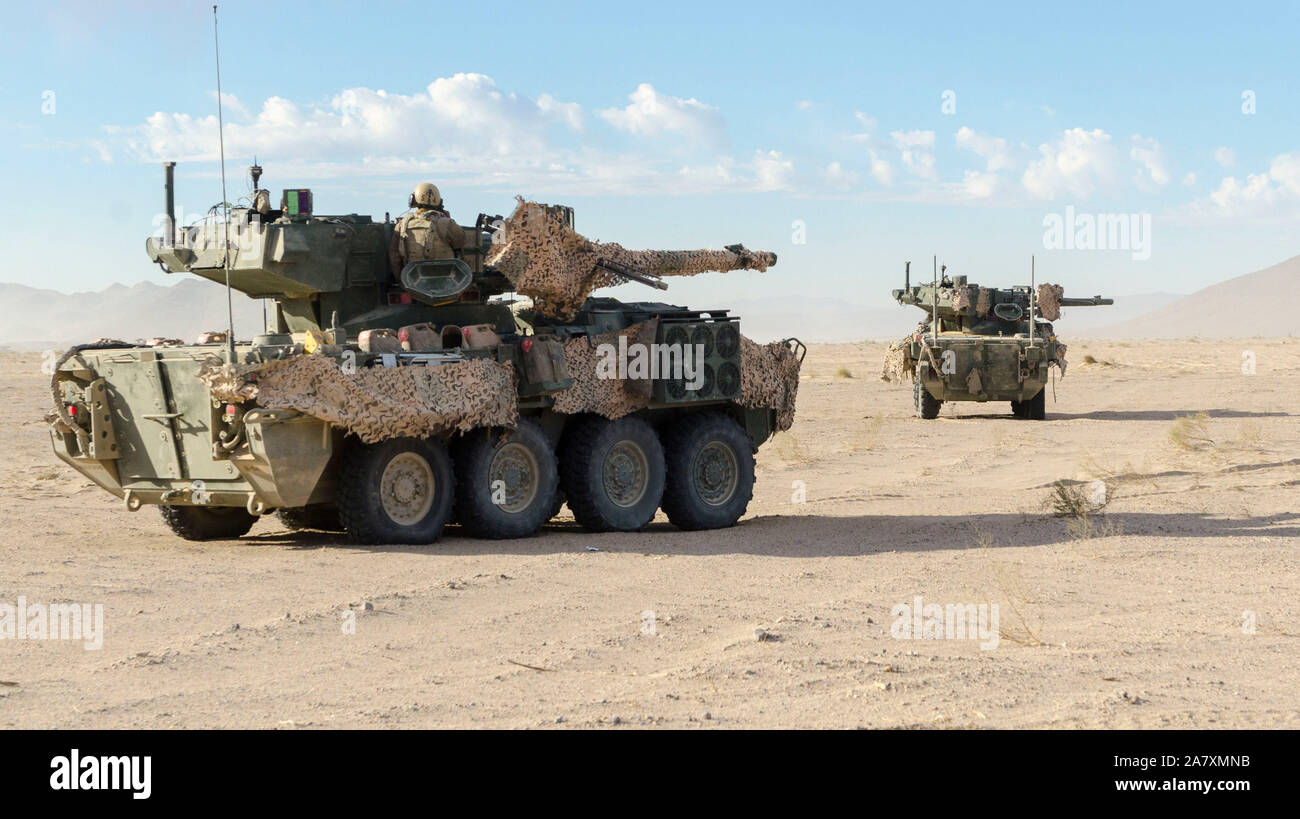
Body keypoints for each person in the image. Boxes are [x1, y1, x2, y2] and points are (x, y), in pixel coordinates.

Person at [388, 183, 468, 276]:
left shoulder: (402, 225)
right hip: (445, 281)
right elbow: (461, 242)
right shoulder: (447, 223)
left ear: (413, 200)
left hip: (413, 281)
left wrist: (401, 281)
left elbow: (394, 257)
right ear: (439, 201)